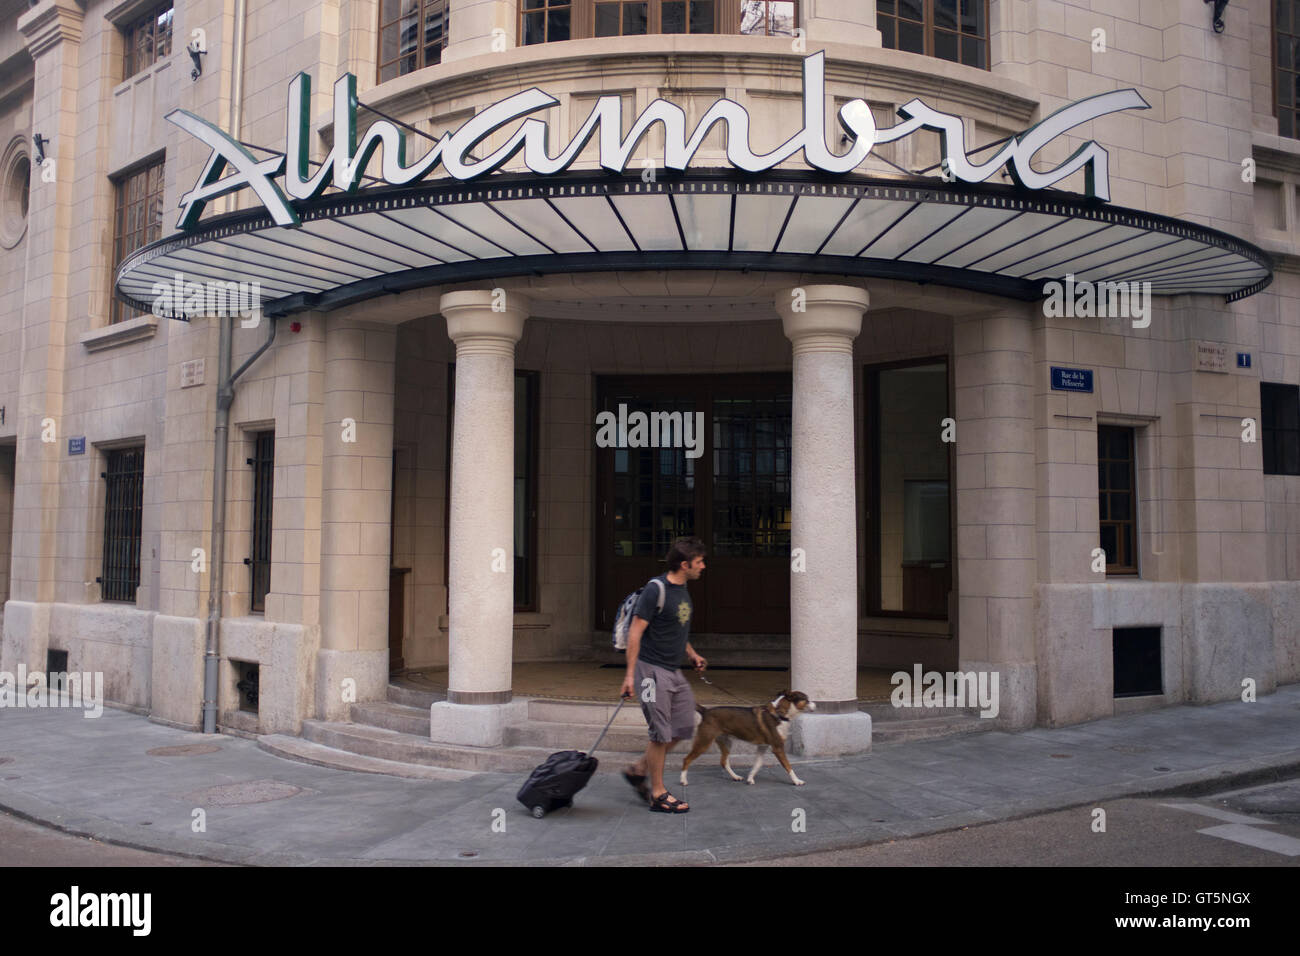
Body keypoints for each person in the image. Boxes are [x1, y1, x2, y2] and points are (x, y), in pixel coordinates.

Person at [620, 535, 708, 813]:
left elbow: (674, 629)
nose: (703, 566)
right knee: (659, 733)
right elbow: (635, 632)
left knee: (683, 726)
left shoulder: (683, 590)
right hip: (650, 672)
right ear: (685, 564)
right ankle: (658, 794)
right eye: (699, 562)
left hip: (673, 670)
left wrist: (691, 654)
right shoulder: (655, 589)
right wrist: (629, 675)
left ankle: (638, 769)